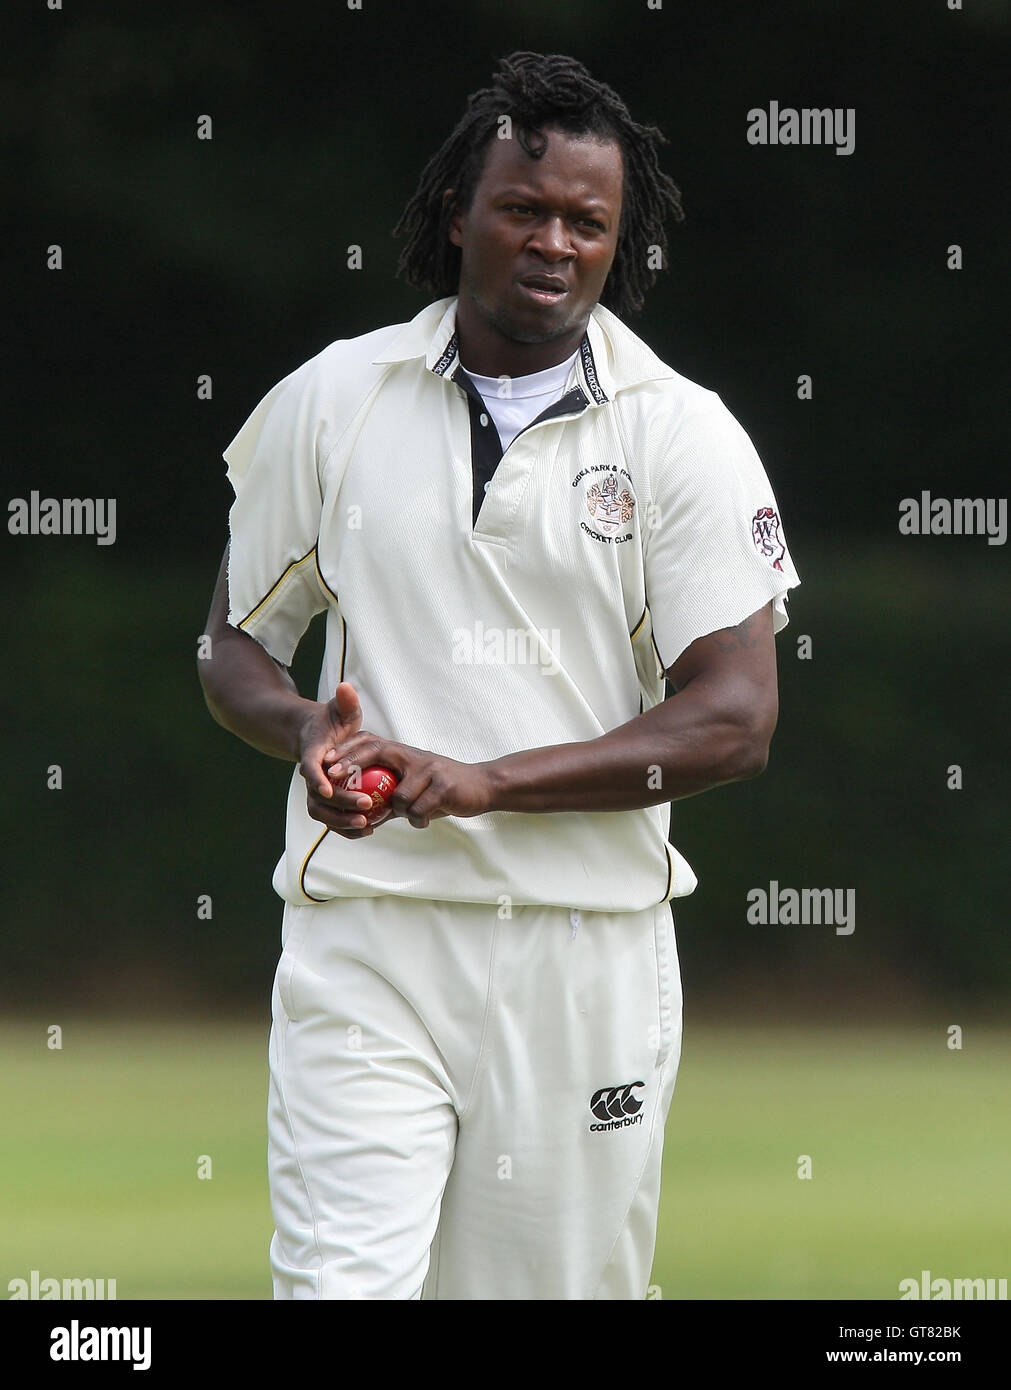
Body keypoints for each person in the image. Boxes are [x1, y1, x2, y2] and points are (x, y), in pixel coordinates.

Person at [198, 50, 800, 1300]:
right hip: (368, 933)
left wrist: (485, 781)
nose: (554, 242)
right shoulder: (335, 399)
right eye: (525, 208)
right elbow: (232, 646)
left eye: (589, 222)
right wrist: (309, 725)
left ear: (621, 244)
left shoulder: (681, 431)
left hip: (583, 956)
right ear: (455, 215)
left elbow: (736, 720)